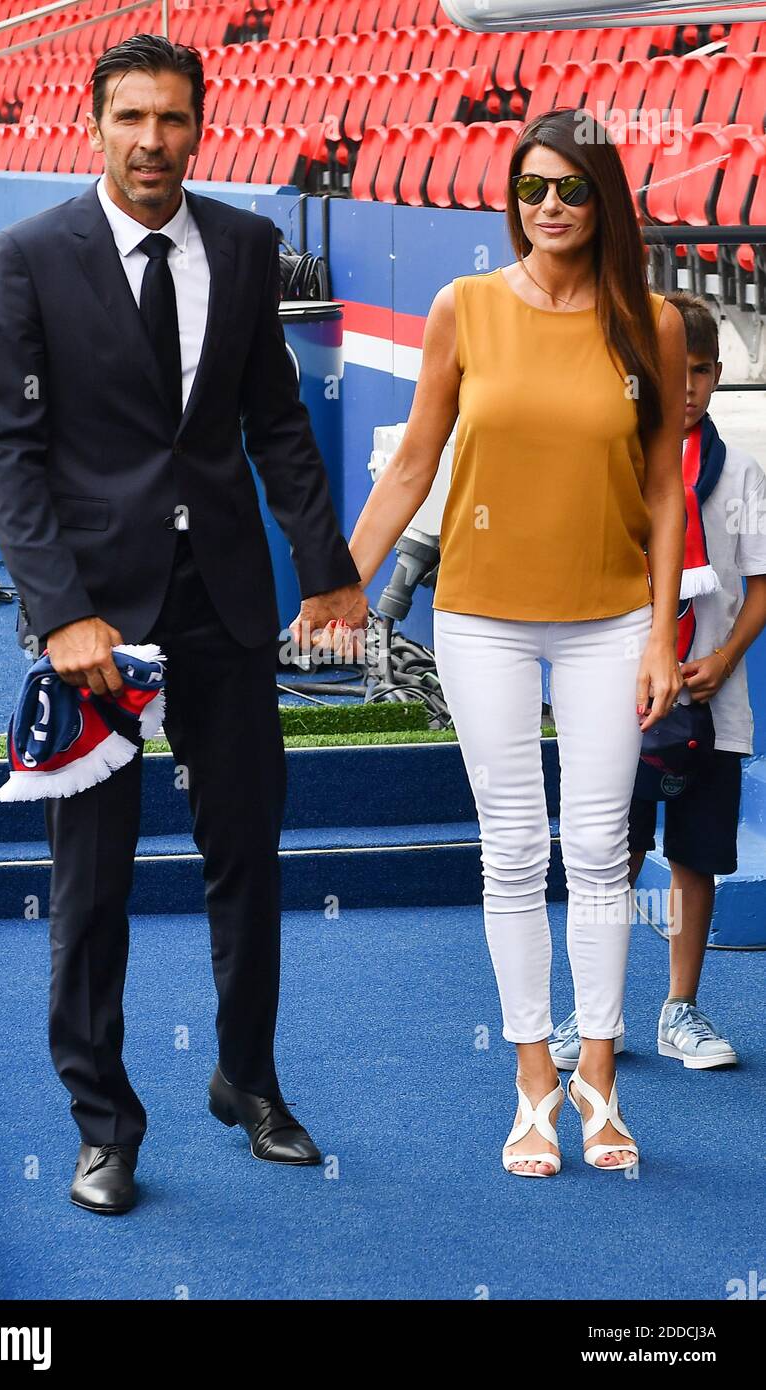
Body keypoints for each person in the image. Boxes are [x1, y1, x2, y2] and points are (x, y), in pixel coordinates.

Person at [0, 34, 365, 1214]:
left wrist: (329, 572)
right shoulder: (29, 257)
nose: (154, 141)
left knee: (245, 856)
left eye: (174, 120)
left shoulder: (247, 248)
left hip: (227, 609)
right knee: (90, 883)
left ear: (202, 126)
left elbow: (277, 428)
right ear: (94, 123)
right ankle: (102, 1120)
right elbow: (11, 448)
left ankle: (246, 1079)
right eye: (132, 118)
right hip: (94, 622)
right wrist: (61, 616)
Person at [341, 107, 687, 1176]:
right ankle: (530, 1076)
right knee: (511, 849)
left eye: (570, 189)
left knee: (597, 852)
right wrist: (336, 587)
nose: (548, 207)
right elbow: (410, 467)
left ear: (603, 199)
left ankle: (599, 1077)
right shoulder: (463, 308)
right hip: (480, 617)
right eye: (531, 188)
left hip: (608, 623)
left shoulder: (653, 323)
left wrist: (662, 633)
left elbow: (662, 492)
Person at [550, 290, 766, 1073]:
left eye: (702, 372)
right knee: (609, 851)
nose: (687, 390)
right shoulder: (611, 462)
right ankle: (591, 1011)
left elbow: (759, 584)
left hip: (713, 701)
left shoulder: (740, 472)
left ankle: (682, 1008)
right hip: (621, 697)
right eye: (673, 372)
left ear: (716, 375)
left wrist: (724, 659)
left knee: (696, 856)